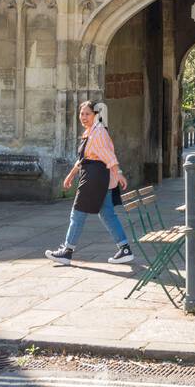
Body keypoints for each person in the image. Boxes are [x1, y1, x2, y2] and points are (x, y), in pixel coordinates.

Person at [45, 101, 134, 266]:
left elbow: (108, 156)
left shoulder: (98, 132)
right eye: (81, 114)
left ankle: (67, 251)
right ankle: (125, 249)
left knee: (77, 213)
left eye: (87, 114)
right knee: (107, 213)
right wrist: (71, 175)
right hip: (98, 178)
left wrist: (119, 173)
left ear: (95, 115)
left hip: (94, 178)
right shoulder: (90, 132)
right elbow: (83, 160)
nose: (84, 117)